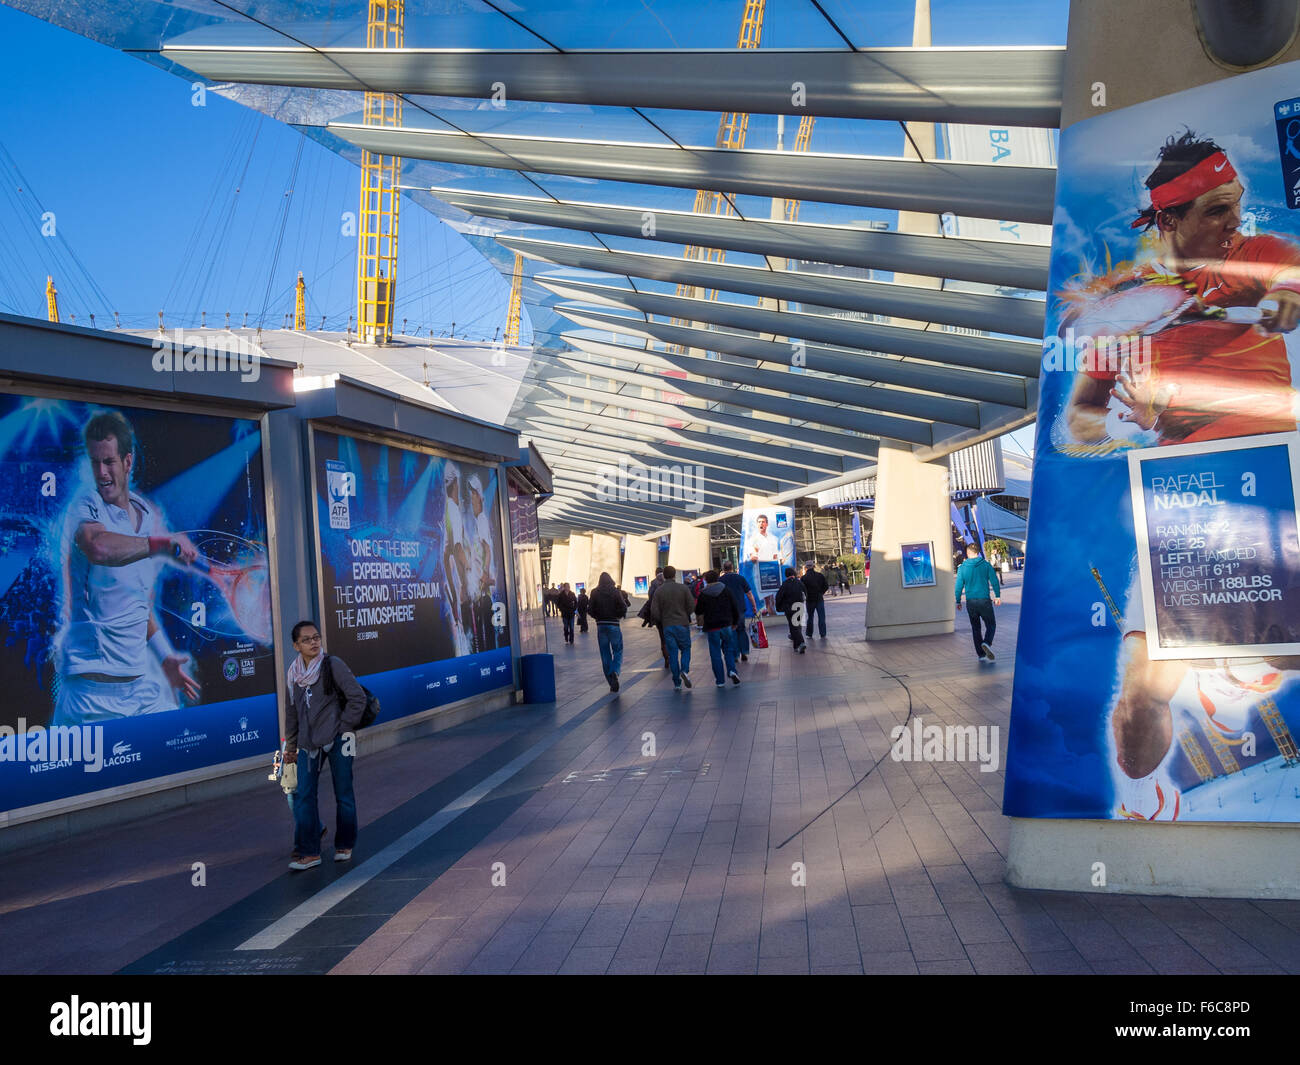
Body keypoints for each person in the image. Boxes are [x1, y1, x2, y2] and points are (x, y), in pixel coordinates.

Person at [1060, 130, 1300, 818]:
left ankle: (1238, 674)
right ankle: (1150, 799)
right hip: (1183, 510)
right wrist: (1126, 424)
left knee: (1289, 657)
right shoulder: (1130, 304)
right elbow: (1078, 419)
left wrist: (1286, 298)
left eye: (1237, 205)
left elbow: (1291, 274)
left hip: (1274, 494)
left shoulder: (1259, 256)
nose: (1235, 224)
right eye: (1216, 212)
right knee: (1137, 717)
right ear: (1169, 220)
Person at [54, 410, 201, 725]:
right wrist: (161, 545)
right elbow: (98, 546)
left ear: (128, 462)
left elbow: (138, 603)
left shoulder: (145, 513)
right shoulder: (84, 506)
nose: (102, 472)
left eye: (109, 462)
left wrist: (165, 658)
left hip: (139, 688)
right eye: (95, 463)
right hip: (89, 694)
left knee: (180, 750)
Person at [283, 619, 366, 871]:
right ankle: (310, 853)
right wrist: (291, 747)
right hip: (308, 744)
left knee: (344, 794)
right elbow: (292, 712)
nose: (314, 642)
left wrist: (342, 729)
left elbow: (357, 698)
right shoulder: (294, 674)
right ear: (296, 645)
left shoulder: (332, 665)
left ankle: (344, 844)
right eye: (307, 639)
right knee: (305, 796)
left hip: (338, 741)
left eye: (316, 637)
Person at [650, 564, 696, 691]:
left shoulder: (659, 591)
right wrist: (685, 613)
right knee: (686, 648)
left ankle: (676, 682)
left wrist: (662, 619)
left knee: (673, 653)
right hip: (682, 623)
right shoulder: (683, 588)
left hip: (667, 626)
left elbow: (654, 611)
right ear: (675, 574)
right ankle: (685, 670)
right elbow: (692, 606)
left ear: (664, 576)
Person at [954, 544, 1001, 663]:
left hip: (971, 602)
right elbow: (994, 580)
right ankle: (986, 642)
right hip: (984, 600)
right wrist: (997, 596)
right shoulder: (986, 565)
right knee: (991, 625)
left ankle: (981, 655)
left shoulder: (962, 568)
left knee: (976, 628)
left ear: (968, 553)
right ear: (978, 552)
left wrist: (958, 600)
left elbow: (959, 586)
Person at [695, 570, 741, 687]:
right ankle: (732, 671)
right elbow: (734, 606)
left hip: (712, 627)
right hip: (726, 625)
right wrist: (735, 622)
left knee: (715, 653)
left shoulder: (703, 593)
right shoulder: (726, 590)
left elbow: (698, 611)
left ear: (706, 580)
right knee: (728, 649)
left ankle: (720, 681)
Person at [587, 572, 628, 691]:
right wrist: (617, 616)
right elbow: (623, 607)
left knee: (605, 653)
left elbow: (590, 609)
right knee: (618, 650)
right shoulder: (615, 592)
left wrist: (597, 617)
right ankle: (615, 670)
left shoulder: (595, 592)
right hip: (614, 624)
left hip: (601, 625)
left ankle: (611, 682)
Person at [719, 560, 758, 662]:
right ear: (732, 567)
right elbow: (749, 593)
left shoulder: (720, 580)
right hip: (740, 609)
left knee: (732, 631)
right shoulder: (740, 578)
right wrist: (754, 606)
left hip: (727, 610)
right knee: (741, 630)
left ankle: (735, 655)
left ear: (723, 568)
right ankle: (744, 652)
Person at [774, 566, 807, 654]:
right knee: (797, 625)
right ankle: (796, 646)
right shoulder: (799, 582)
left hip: (789, 608)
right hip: (799, 606)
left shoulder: (784, 585)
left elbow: (778, 597)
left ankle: (801, 642)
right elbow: (805, 592)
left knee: (793, 626)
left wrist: (778, 608)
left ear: (786, 575)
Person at [801, 561, 830, 640]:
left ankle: (809, 634)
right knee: (821, 617)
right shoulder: (819, 575)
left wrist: (806, 595)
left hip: (809, 600)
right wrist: (821, 592)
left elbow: (802, 590)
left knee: (810, 617)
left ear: (806, 567)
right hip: (819, 598)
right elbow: (826, 586)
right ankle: (822, 634)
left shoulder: (803, 578)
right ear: (813, 566)